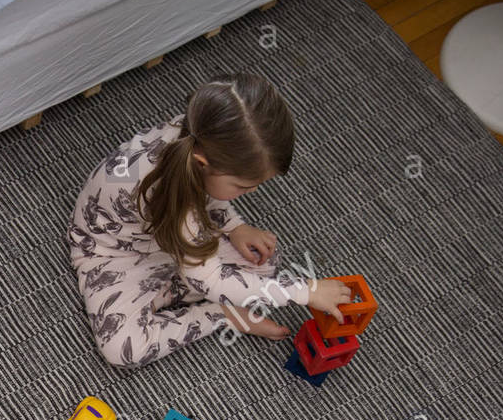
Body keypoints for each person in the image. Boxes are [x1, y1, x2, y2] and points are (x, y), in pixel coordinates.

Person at [68, 71, 353, 368]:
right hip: (113, 253)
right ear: (202, 164)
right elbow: (201, 243)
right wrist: (303, 291)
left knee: (262, 259)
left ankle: (185, 286)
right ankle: (221, 314)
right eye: (244, 186)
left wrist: (234, 226)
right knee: (124, 350)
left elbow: (205, 193)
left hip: (167, 238)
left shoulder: (199, 135)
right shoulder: (175, 199)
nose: (252, 191)